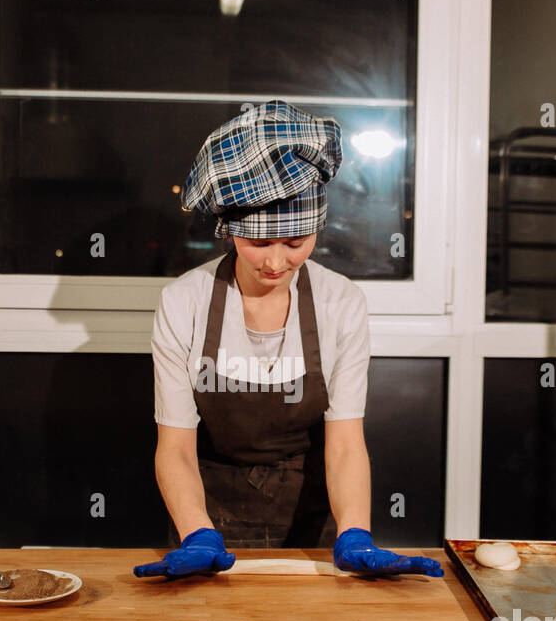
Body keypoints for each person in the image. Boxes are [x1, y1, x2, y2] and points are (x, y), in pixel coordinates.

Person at [133, 100, 442, 581]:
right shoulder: (184, 302)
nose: (276, 262)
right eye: (259, 243)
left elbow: (344, 442)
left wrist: (355, 531)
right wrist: (197, 532)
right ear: (231, 232)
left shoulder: (340, 303)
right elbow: (174, 445)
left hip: (313, 519)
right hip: (205, 512)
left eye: (296, 242)